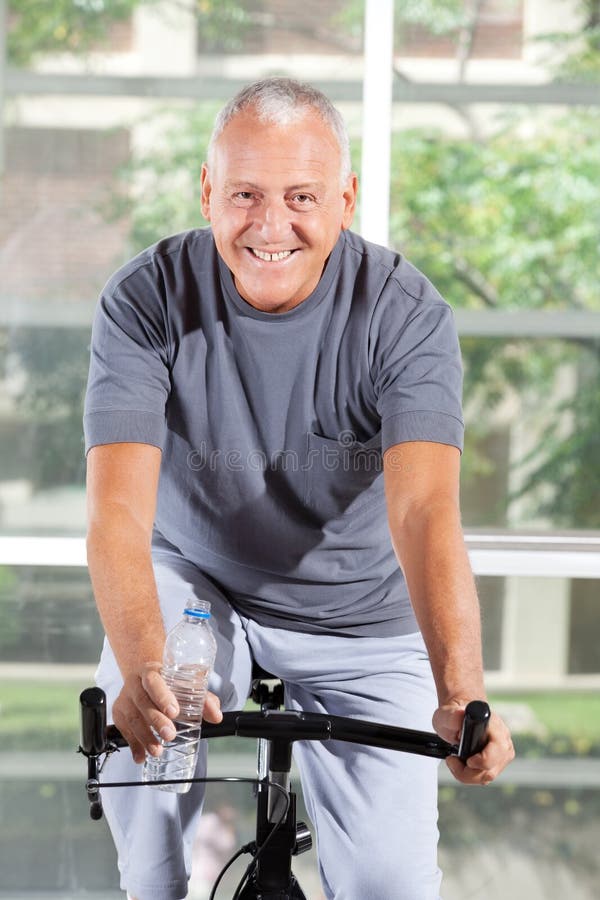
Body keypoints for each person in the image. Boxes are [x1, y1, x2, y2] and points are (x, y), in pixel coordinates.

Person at [84, 76, 514, 900]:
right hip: (201, 588)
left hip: (362, 616)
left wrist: (463, 693)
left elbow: (425, 512)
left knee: (391, 887)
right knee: (144, 755)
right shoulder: (142, 299)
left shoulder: (404, 315)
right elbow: (117, 512)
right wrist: (141, 665)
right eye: (244, 193)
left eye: (301, 196)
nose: (270, 224)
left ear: (345, 198)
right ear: (207, 191)